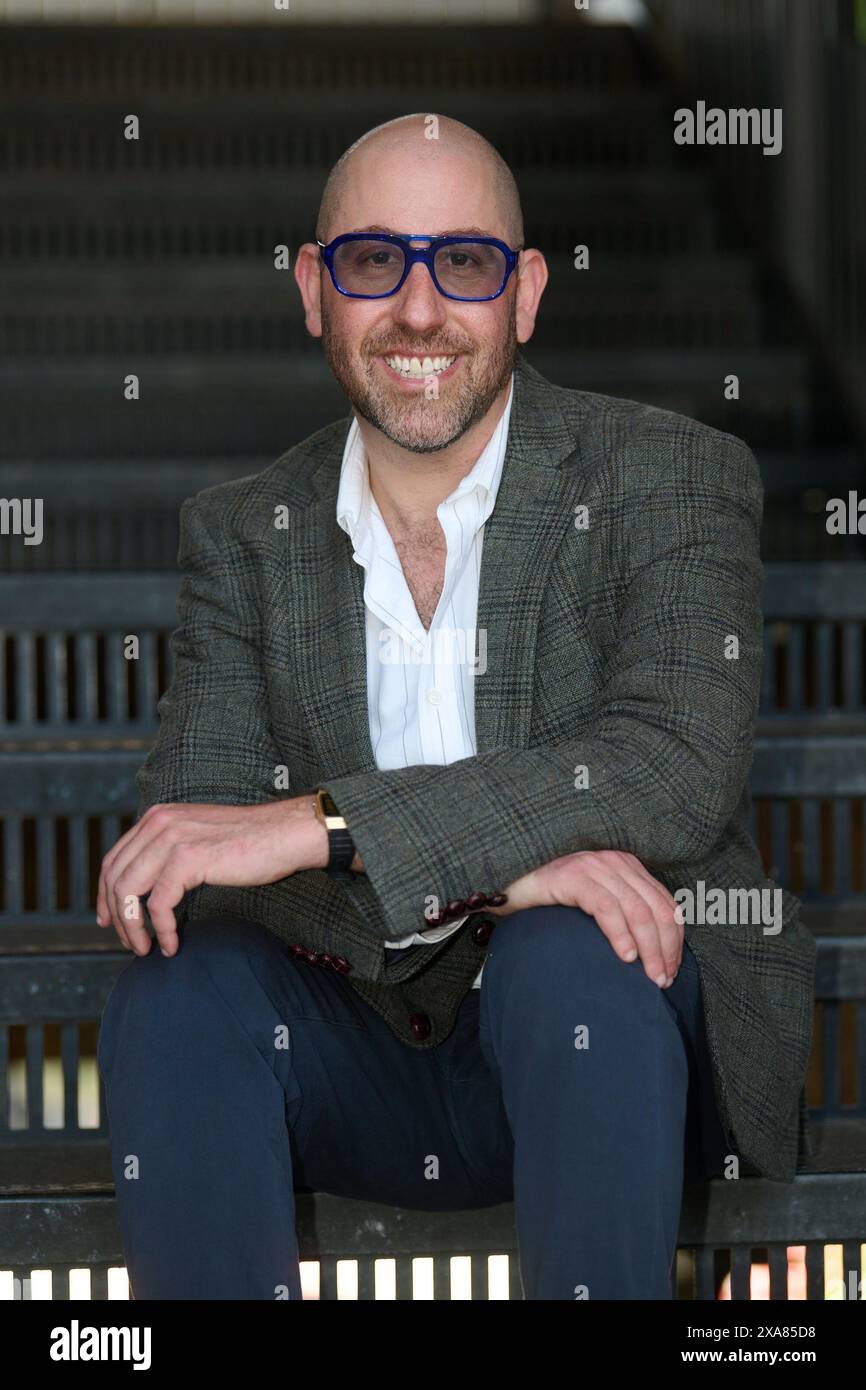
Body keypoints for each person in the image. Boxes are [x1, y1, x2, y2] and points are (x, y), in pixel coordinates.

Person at [95, 113, 815, 1301]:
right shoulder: (242, 532)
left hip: (609, 1063)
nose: (419, 310)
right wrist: (515, 868)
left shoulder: (666, 476)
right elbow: (202, 855)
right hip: (346, 1056)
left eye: (464, 263)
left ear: (524, 294)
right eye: (376, 261)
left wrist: (325, 824)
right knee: (177, 991)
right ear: (313, 291)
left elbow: (669, 766)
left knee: (571, 952)